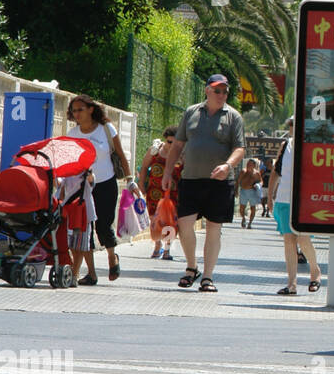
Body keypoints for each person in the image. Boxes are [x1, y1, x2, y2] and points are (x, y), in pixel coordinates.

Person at [160, 74, 245, 292]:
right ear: (207, 90)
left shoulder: (233, 117)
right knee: (185, 225)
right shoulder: (191, 112)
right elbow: (178, 145)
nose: (222, 95)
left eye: (225, 91)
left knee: (213, 229)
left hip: (220, 182)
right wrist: (168, 173)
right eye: (217, 90)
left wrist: (228, 166)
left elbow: (239, 148)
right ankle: (191, 267)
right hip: (191, 179)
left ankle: (207, 277)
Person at [65, 94, 130, 284]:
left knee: (103, 225)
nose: (77, 114)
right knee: (84, 229)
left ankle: (112, 256)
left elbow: (120, 154)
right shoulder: (73, 134)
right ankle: (91, 273)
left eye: (81, 110)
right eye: (74, 111)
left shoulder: (106, 129)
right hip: (83, 186)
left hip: (106, 183)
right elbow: (70, 162)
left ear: (91, 109)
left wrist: (130, 179)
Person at [267, 119, 322, 293]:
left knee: (303, 240)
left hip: (304, 201)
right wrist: (270, 195)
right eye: (291, 124)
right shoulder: (286, 145)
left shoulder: (312, 145)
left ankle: (315, 272)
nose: (293, 127)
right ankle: (292, 284)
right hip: (284, 199)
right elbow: (276, 172)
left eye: (296, 124)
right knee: (289, 240)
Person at [139, 127, 182, 260]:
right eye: (169, 142)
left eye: (175, 143)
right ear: (165, 139)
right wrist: (141, 184)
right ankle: (157, 244)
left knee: (170, 221)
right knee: (154, 218)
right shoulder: (155, 150)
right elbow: (145, 166)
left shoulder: (182, 154)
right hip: (154, 191)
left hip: (172, 193)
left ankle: (167, 249)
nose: (171, 145)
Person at [237, 158, 263, 229]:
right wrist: (236, 190)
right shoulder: (243, 172)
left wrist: (258, 185)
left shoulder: (256, 173)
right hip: (243, 191)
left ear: (254, 165)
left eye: (250, 164)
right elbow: (238, 181)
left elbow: (261, 181)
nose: (248, 165)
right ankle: (243, 218)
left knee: (253, 208)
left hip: (252, 192)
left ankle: (250, 223)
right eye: (248, 164)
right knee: (242, 208)